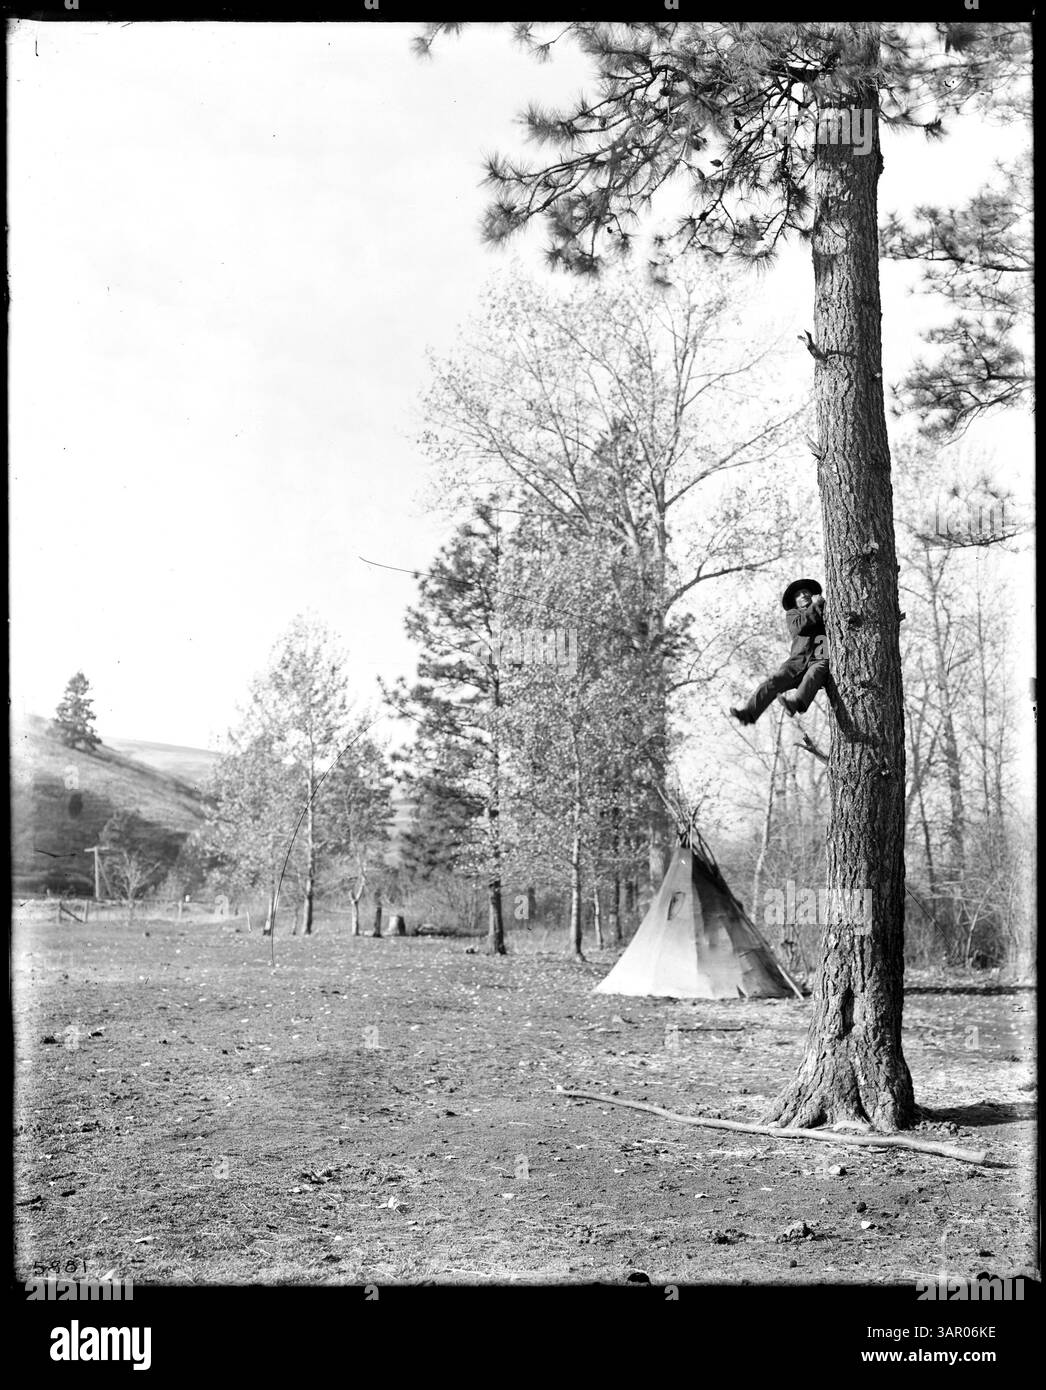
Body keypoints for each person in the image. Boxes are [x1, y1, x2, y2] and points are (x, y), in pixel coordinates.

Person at [730, 578, 829, 725]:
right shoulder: (793, 614)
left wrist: (820, 605)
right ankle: (749, 713)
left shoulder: (826, 610)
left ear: (813, 594)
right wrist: (816, 605)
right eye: (799, 594)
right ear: (795, 602)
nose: (803, 595)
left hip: (819, 659)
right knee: (774, 681)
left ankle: (795, 703)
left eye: (806, 592)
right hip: (797, 662)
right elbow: (799, 627)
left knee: (815, 673)